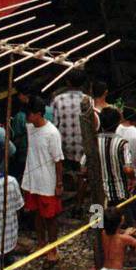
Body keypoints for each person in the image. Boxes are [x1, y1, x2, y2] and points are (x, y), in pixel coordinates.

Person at [21, 95, 65, 264]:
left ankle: (53, 247)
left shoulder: (52, 133)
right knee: (36, 214)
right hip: (32, 180)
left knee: (50, 217)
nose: (27, 117)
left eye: (30, 114)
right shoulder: (30, 128)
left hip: (47, 181)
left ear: (39, 114)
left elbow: (58, 160)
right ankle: (41, 243)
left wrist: (59, 183)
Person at [50, 71, 91, 205]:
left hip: (63, 144)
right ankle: (79, 204)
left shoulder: (58, 100)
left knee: (60, 171)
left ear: (67, 82)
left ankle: (59, 201)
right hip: (82, 145)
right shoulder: (88, 100)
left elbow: (54, 124)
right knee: (82, 173)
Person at [95, 106, 132, 205]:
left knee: (98, 220)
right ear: (118, 123)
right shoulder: (122, 143)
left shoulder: (94, 142)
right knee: (122, 219)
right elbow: (128, 169)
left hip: (99, 195)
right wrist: (132, 178)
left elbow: (83, 168)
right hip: (120, 194)